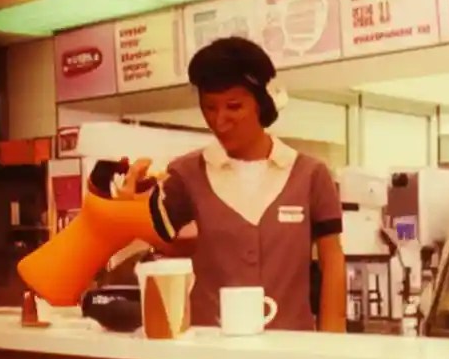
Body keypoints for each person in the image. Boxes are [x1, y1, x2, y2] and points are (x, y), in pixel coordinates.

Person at [123, 37, 346, 332]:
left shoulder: (310, 175)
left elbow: (332, 260)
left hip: (292, 348)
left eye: (233, 106)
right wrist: (128, 212)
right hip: (211, 350)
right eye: (209, 108)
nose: (220, 120)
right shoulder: (186, 176)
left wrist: (332, 343)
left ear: (262, 104)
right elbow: (151, 249)